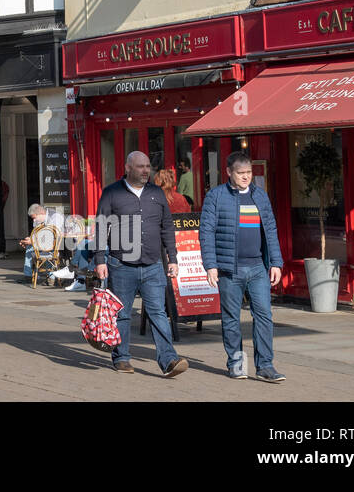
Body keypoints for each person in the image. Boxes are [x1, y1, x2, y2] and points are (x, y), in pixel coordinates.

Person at [95, 151, 187, 377]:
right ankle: (122, 358)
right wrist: (99, 260)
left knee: (158, 312)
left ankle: (168, 360)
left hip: (153, 265)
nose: (146, 171)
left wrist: (173, 259)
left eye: (148, 166)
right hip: (121, 265)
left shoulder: (156, 193)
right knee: (123, 315)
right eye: (140, 167)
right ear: (128, 167)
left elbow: (167, 227)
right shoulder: (112, 193)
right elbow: (100, 227)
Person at [201, 151, 286, 383]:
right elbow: (206, 232)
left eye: (249, 172)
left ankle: (265, 366)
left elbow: (270, 229)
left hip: (258, 267)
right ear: (229, 172)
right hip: (230, 269)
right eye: (241, 173)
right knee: (231, 319)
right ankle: (236, 364)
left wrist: (276, 262)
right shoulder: (216, 196)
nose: (246, 177)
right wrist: (210, 265)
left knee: (264, 316)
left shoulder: (260, 196)